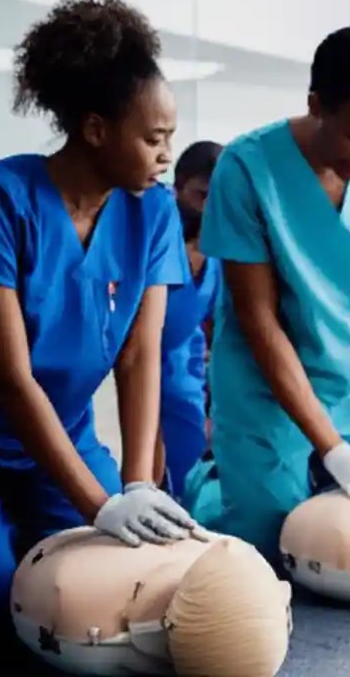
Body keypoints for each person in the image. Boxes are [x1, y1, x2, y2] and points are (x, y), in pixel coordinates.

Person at [0, 0, 202, 657]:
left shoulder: (154, 213)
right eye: (154, 137)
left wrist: (134, 485)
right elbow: (10, 378)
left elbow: (141, 358)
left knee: (126, 590)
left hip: (67, 436)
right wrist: (97, 505)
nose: (168, 154)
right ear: (95, 129)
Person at [192, 26, 350, 561]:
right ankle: (212, 482)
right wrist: (330, 449)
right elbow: (257, 319)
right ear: (316, 104)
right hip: (265, 395)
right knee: (270, 547)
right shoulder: (247, 168)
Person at [155, 140, 223, 496]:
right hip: (131, 357)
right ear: (178, 185)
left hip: (181, 365)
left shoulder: (219, 250)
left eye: (218, 198)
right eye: (201, 195)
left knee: (188, 466)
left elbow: (217, 327)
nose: (210, 207)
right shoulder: (154, 231)